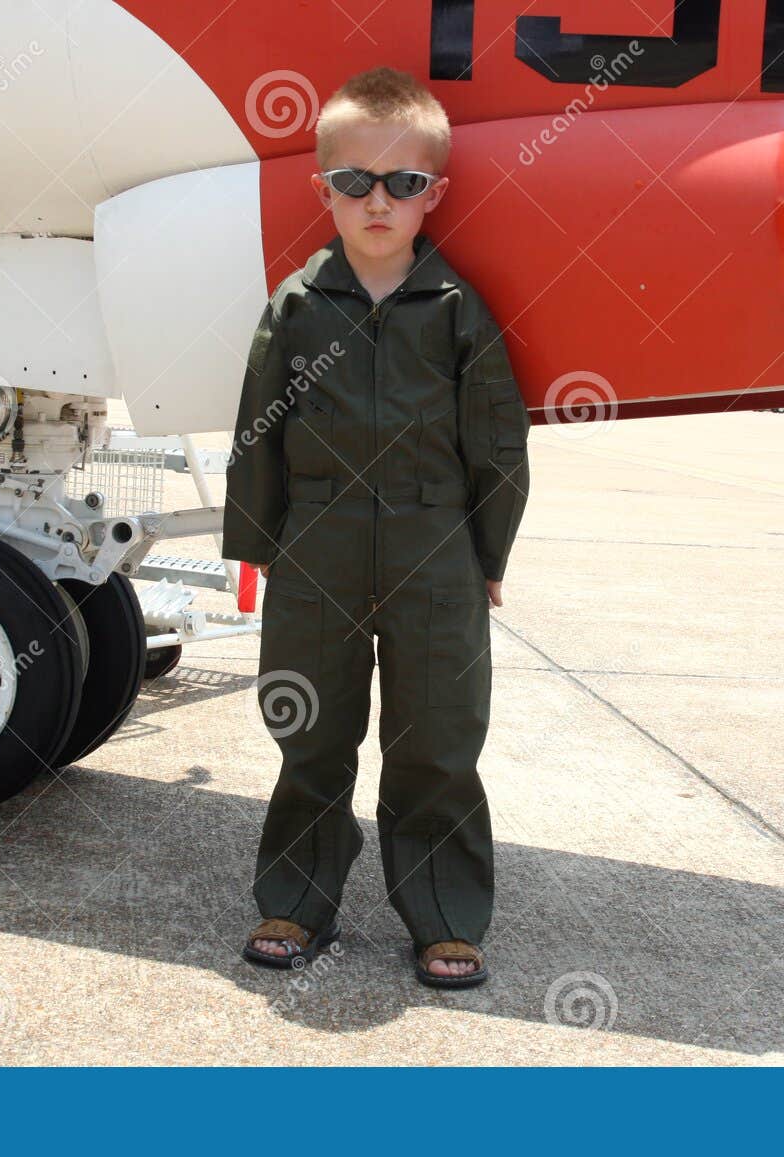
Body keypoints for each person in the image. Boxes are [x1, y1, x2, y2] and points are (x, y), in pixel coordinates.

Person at [221, 66, 530, 989]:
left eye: (402, 182)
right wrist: (261, 547)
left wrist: (489, 553)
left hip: (437, 548)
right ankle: (297, 897)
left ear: (435, 193)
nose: (378, 200)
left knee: (437, 738)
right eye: (354, 181)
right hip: (315, 547)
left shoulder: (458, 311)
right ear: (325, 189)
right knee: (310, 730)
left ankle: (442, 912)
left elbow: (498, 445)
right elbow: (257, 430)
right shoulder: (296, 306)